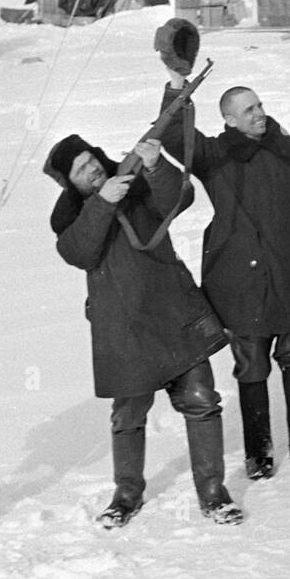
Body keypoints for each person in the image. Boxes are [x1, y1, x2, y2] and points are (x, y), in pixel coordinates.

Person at [44, 133, 242, 526]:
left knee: (202, 401)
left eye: (92, 159)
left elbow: (178, 199)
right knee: (128, 415)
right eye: (81, 169)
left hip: (173, 313)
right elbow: (80, 251)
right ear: (71, 184)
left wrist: (155, 166)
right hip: (124, 331)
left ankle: (213, 492)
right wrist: (103, 203)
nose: (92, 169)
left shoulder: (137, 188)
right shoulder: (71, 220)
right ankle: (127, 493)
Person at [159, 68, 290, 479]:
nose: (259, 114)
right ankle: (259, 450)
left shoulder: (287, 148)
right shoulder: (215, 154)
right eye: (249, 109)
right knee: (251, 365)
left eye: (260, 105)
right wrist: (176, 84)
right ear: (230, 120)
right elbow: (171, 137)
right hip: (240, 281)